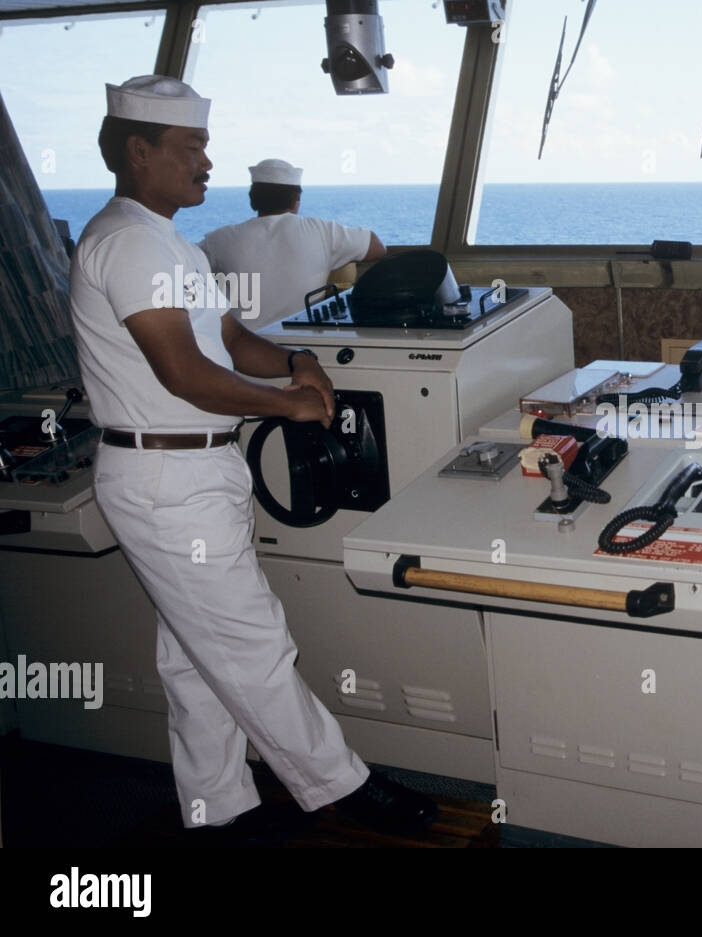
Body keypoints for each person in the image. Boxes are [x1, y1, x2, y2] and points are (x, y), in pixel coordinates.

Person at [69, 74, 434, 842]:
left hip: (196, 468)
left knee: (194, 656)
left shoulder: (171, 242)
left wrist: (295, 360)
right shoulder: (129, 242)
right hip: (166, 476)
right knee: (252, 641)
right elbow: (182, 370)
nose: (207, 162)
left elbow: (229, 339)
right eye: (191, 147)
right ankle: (343, 786)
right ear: (139, 152)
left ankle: (217, 808)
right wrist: (287, 403)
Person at [198, 158, 385, 325]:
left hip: (240, 346)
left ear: (252, 199)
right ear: (296, 198)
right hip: (299, 341)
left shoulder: (219, 240)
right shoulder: (322, 231)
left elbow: (188, 269)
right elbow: (378, 248)